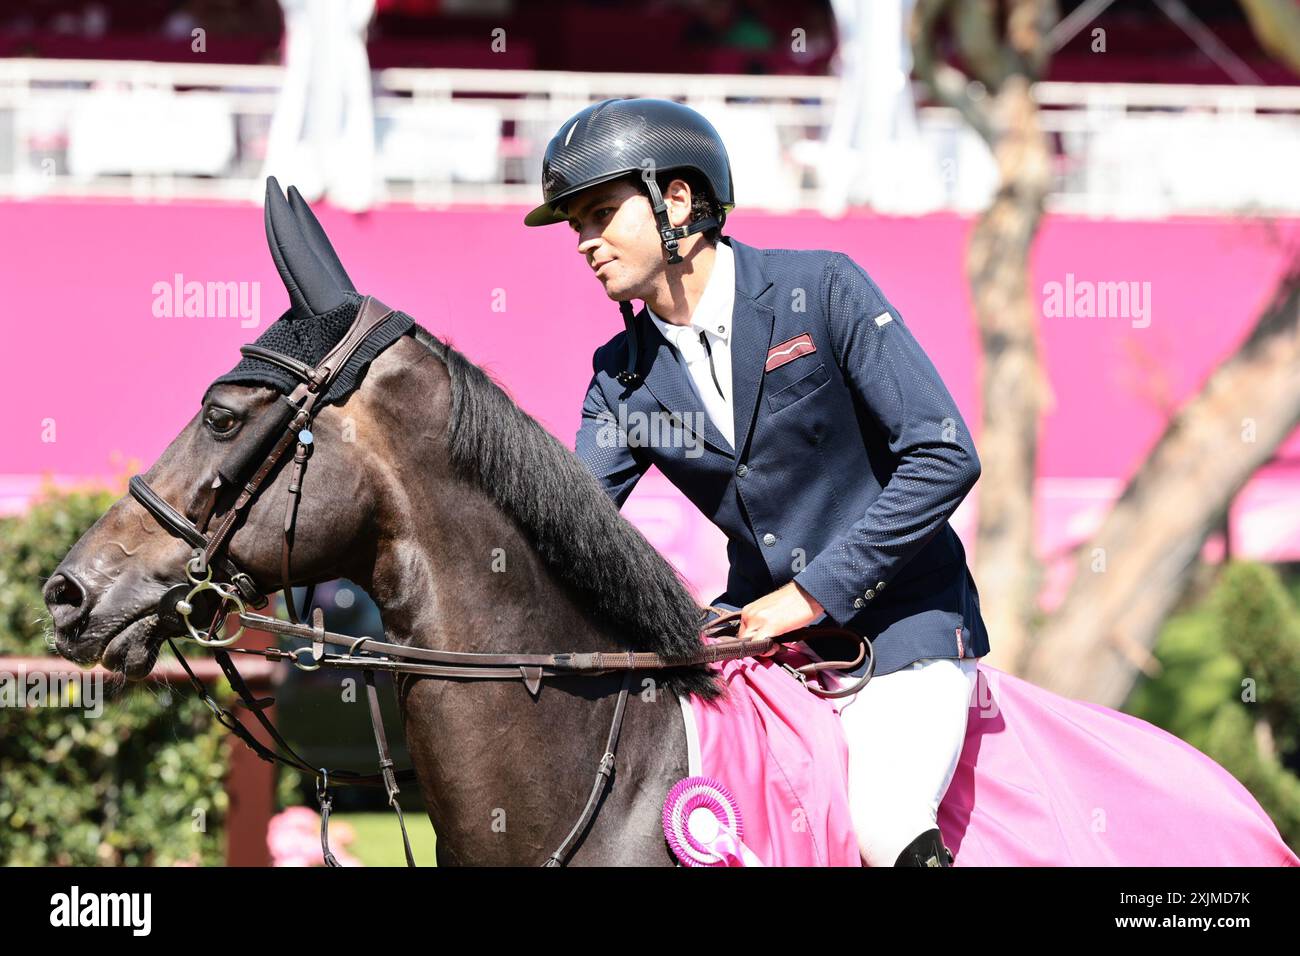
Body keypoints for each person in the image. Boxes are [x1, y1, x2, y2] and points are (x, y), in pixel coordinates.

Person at [523, 97, 989, 867]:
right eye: (575, 224)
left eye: (601, 213)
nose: (584, 241)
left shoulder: (824, 290)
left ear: (677, 201)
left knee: (880, 820)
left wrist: (809, 597)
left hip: (904, 627)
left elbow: (944, 456)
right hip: (758, 643)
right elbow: (570, 529)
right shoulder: (621, 379)